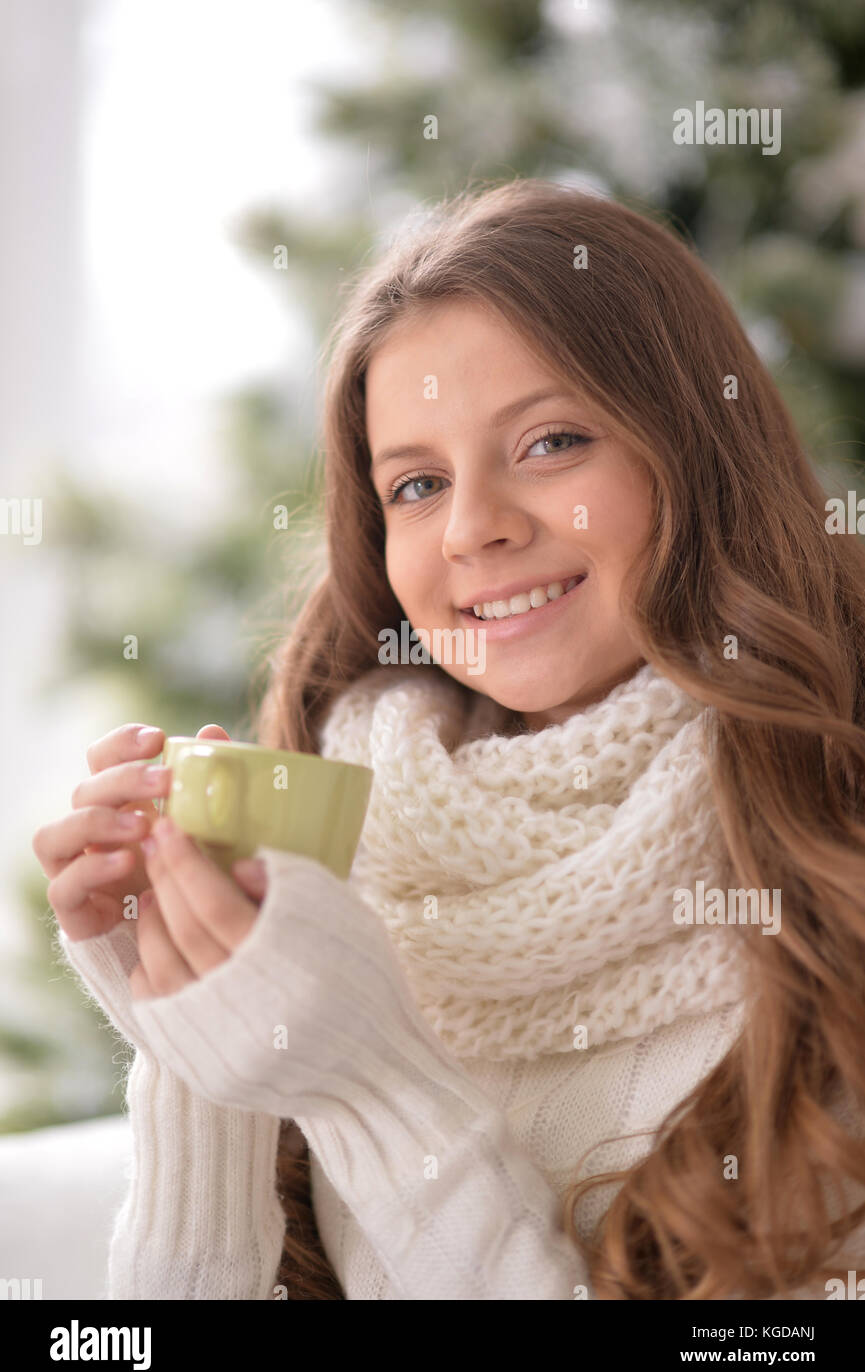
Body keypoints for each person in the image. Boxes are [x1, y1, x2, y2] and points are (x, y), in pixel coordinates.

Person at [34, 177, 865, 1300]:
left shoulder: (828, 871)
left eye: (551, 442)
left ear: (695, 452)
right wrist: (197, 1054)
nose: (475, 526)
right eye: (417, 484)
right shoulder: (347, 839)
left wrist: (371, 1084)